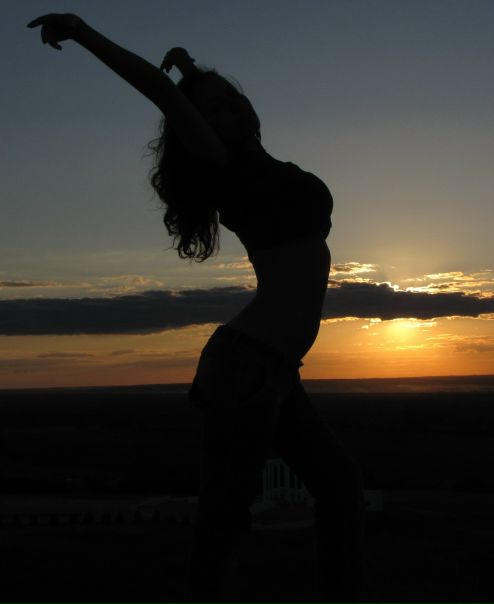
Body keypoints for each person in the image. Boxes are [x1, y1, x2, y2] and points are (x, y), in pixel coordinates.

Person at [28, 13, 367, 603]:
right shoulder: (222, 165)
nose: (226, 110)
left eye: (230, 99)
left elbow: (195, 91)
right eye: (210, 110)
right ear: (196, 128)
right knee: (224, 521)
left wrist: (190, 68)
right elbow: (158, 91)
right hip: (246, 368)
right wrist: (82, 32)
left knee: (338, 490)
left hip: (275, 368)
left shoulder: (268, 165)